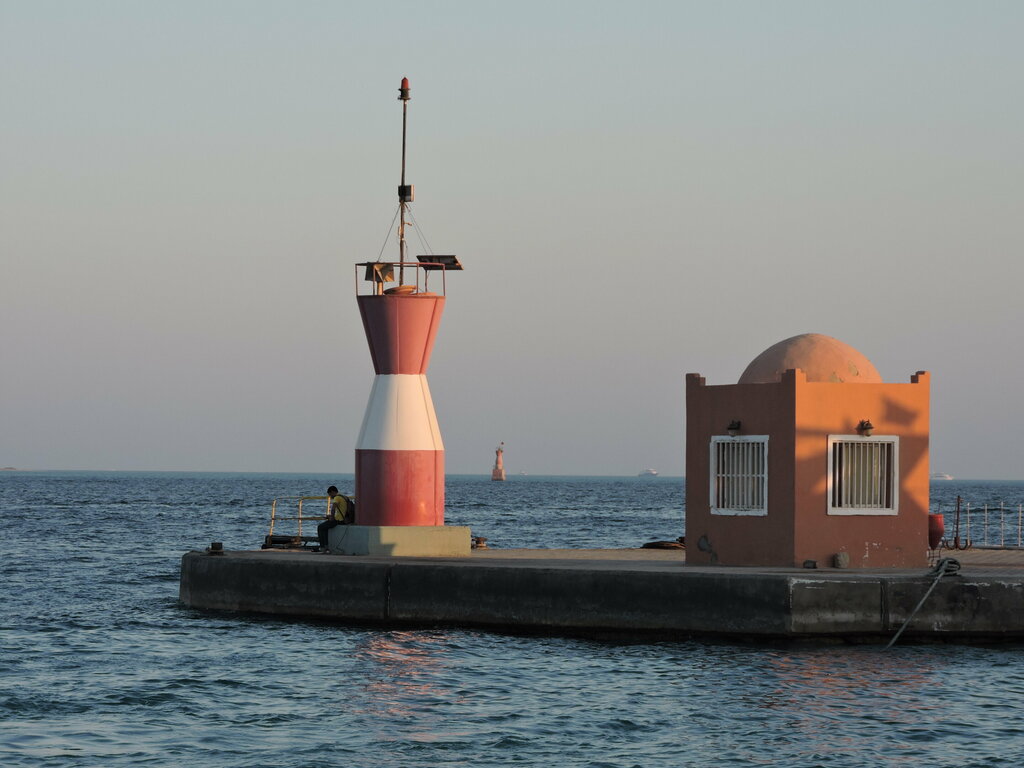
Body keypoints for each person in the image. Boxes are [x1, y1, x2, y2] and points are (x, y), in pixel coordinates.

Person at [317, 485, 355, 551]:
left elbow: (333, 509)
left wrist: (331, 517)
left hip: (339, 520)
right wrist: (331, 516)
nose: (330, 496)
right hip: (345, 519)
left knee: (320, 527)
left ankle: (323, 546)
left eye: (330, 494)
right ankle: (326, 545)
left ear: (332, 492)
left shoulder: (337, 498)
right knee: (325, 528)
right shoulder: (344, 497)